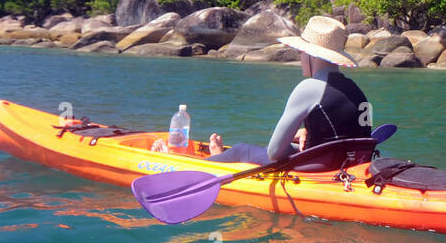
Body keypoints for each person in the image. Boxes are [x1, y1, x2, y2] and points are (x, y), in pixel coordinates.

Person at [153, 15, 372, 168]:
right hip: (346, 166)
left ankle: (190, 164)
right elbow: (349, 134)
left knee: (242, 150)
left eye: (301, 52)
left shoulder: (308, 88)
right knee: (292, 144)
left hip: (316, 168)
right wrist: (311, 133)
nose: (300, 57)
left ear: (310, 55)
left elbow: (274, 153)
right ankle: (219, 158)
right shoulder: (356, 89)